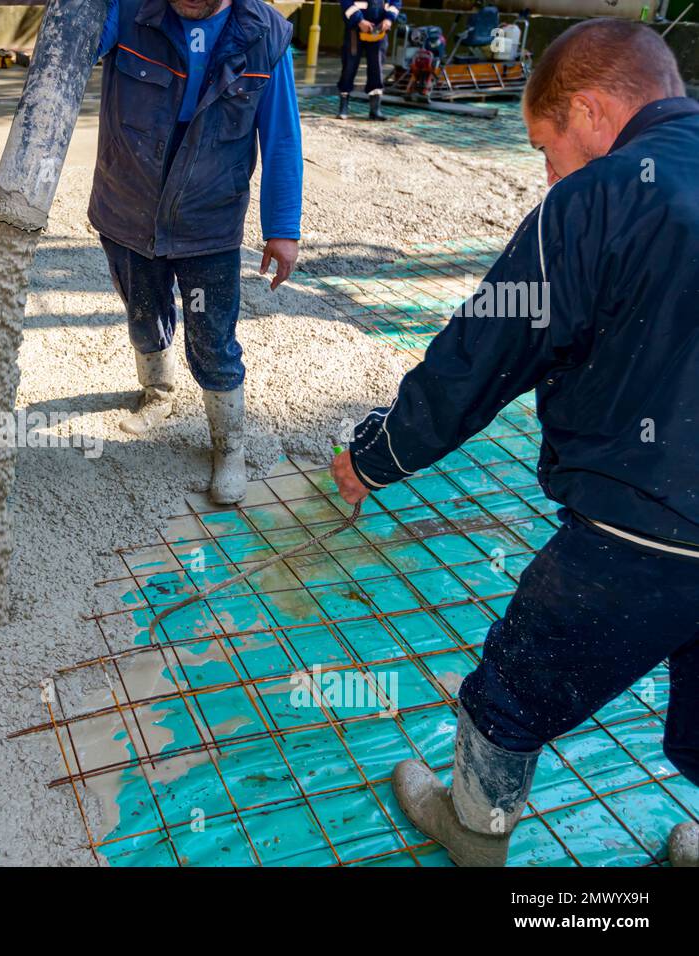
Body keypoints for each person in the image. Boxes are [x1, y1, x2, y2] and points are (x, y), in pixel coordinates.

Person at [330, 19, 699, 867]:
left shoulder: (596, 198)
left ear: (590, 111)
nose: (548, 171)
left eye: (544, 146)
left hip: (643, 526)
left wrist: (377, 458)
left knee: (513, 689)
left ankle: (472, 831)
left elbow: (477, 360)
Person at [92, 0, 302, 504]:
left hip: (209, 219)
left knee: (212, 335)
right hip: (130, 206)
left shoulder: (265, 36)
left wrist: (282, 228)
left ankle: (229, 445)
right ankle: (158, 392)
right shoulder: (126, 9)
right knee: (143, 311)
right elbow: (72, 48)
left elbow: (281, 137)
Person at [337, 0, 399, 120]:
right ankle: (343, 108)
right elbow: (346, 2)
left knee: (377, 69)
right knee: (349, 67)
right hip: (354, 30)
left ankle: (375, 110)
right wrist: (359, 20)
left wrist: (389, 19)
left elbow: (395, 2)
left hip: (379, 31)